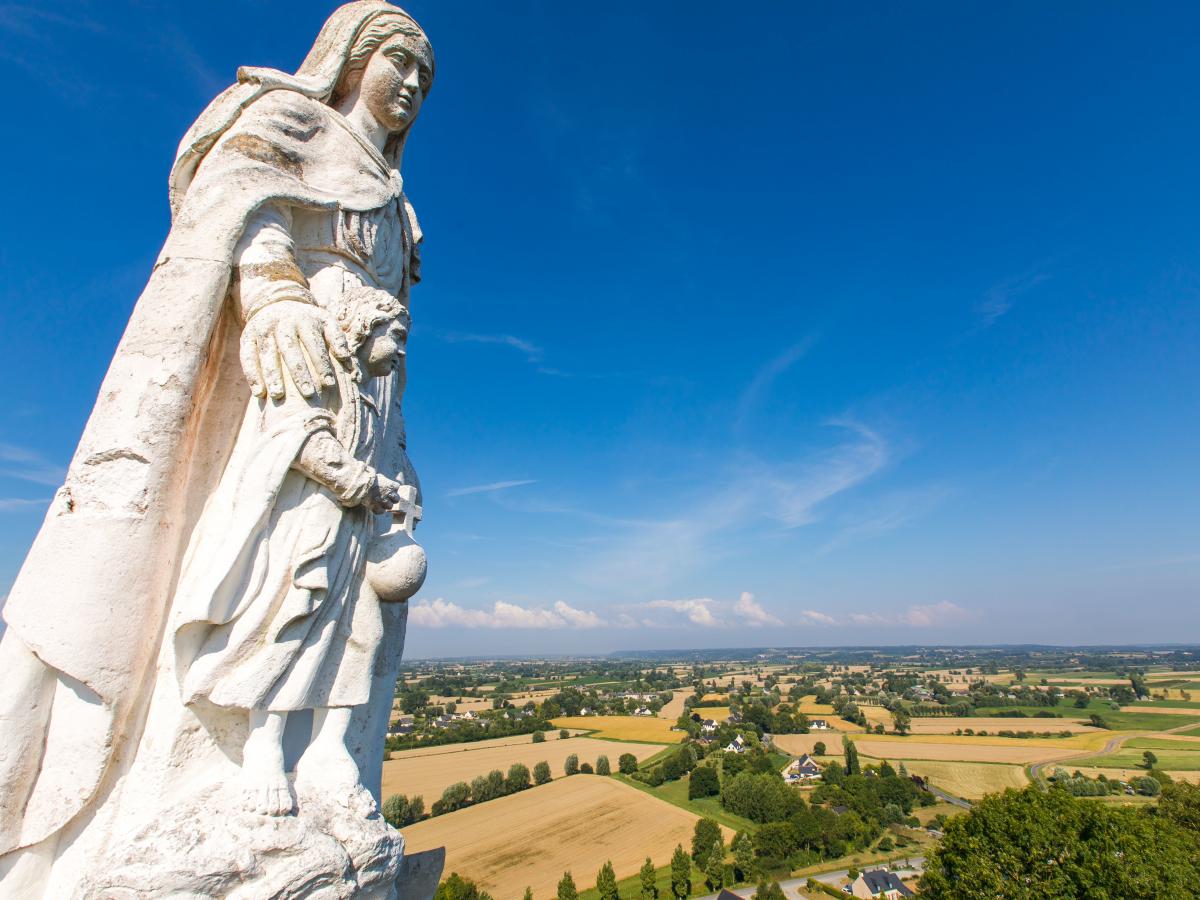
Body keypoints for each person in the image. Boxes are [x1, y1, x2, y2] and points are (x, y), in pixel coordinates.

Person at [0, 2, 434, 889]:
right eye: (402, 61)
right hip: (291, 367)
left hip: (374, 400)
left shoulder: (397, 199)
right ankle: (247, 756)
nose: (415, 85)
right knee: (283, 566)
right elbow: (233, 200)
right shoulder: (289, 122)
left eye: (428, 76)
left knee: (361, 592)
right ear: (351, 57)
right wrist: (273, 291)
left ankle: (327, 756)